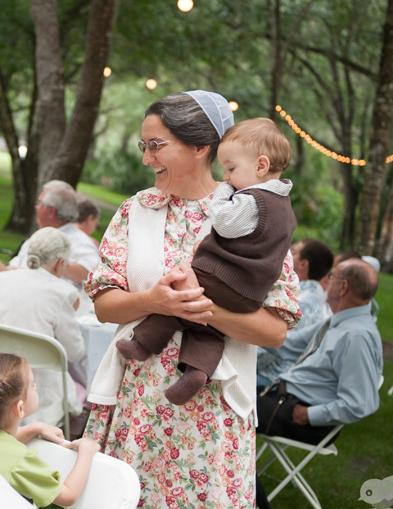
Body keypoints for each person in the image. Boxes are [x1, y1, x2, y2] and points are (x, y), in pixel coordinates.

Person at [63, 91, 300, 509]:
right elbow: (103, 304)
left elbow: (275, 330)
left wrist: (200, 309)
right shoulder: (135, 210)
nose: (147, 158)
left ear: (200, 146)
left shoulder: (253, 215)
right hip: (136, 405)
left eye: (157, 145)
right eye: (145, 146)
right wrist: (154, 302)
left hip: (209, 415)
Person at [115, 117, 296, 405]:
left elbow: (223, 222)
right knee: (207, 328)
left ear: (261, 166)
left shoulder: (252, 199)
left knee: (178, 290)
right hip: (249, 293)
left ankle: (143, 343)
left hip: (222, 277)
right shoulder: (285, 208)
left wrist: (223, 194)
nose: (226, 177)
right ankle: (198, 370)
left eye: (231, 169)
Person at [0, 353, 100, 508]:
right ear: (19, 408)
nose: (35, 386)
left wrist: (34, 428)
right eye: (32, 384)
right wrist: (86, 450)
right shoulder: (18, 461)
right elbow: (67, 495)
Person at [257, 258, 382, 445]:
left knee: (226, 406)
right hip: (285, 396)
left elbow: (359, 404)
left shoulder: (356, 336)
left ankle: (239, 465)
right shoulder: (341, 322)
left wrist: (307, 415)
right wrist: (246, 330)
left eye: (331, 276)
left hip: (303, 416)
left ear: (343, 287)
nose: (326, 280)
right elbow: (289, 345)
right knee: (231, 394)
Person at [0, 227, 86, 429]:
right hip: (35, 393)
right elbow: (75, 353)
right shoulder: (64, 292)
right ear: (60, 264)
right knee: (82, 392)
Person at [257, 238, 334, 387]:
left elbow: (277, 347)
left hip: (270, 378)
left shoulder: (302, 301)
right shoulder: (306, 296)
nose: (285, 254)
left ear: (303, 264)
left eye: (292, 251)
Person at [10, 180, 99, 287]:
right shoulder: (39, 236)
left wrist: (51, 263)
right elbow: (13, 266)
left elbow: (92, 274)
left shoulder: (80, 241)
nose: (36, 207)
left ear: (51, 211)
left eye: (40, 203)